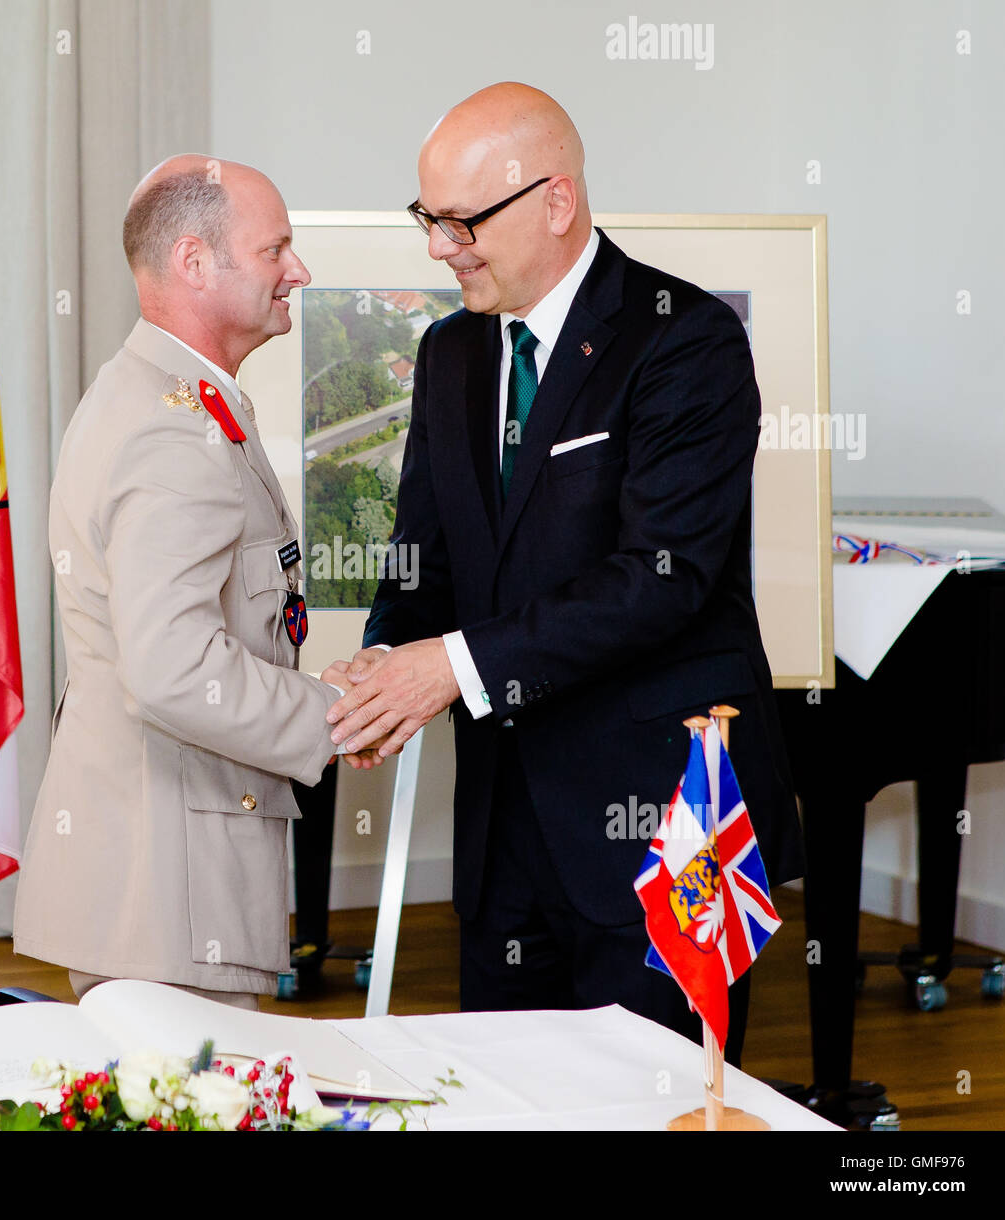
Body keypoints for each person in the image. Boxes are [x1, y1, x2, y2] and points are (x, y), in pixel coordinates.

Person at [325, 83, 804, 1063]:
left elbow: (658, 579)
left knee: (658, 1104)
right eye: (427, 219)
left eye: (460, 221)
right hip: (504, 830)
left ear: (556, 200)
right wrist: (382, 664)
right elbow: (428, 550)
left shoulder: (686, 339)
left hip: (667, 828)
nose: (438, 246)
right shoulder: (451, 350)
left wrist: (445, 669)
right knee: (506, 1096)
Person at [14, 156, 373, 1009]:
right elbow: (173, 669)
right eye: (276, 248)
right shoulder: (172, 433)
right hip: (169, 891)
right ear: (195, 262)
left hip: (158, 869)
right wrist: (339, 713)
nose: (300, 271)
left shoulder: (172, 399)